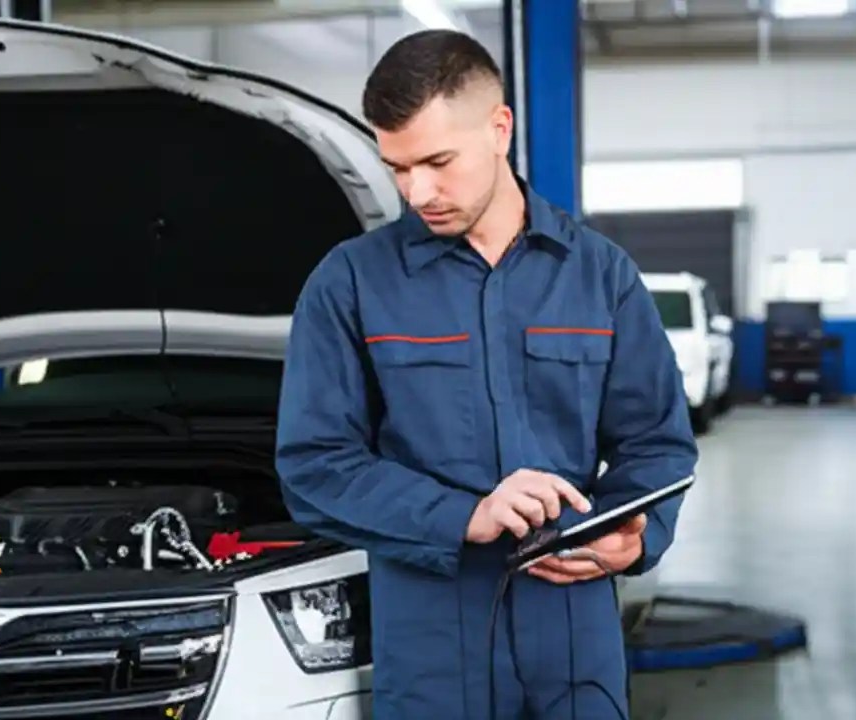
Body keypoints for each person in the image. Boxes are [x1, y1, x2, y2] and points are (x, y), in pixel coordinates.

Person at [275, 28, 697, 720]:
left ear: (499, 129)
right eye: (397, 167)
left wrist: (635, 533)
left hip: (574, 635)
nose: (418, 191)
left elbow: (656, 442)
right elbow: (315, 466)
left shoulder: (600, 275)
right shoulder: (350, 284)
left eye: (438, 161)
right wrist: (465, 515)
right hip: (433, 645)